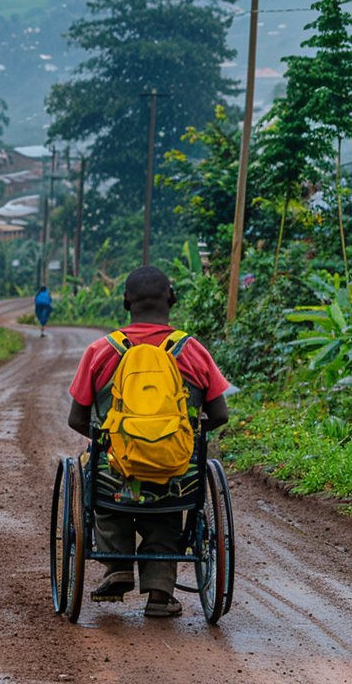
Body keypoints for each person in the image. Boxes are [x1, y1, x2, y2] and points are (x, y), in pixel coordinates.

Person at [65, 265, 230, 618]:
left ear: (125, 302)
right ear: (172, 299)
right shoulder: (192, 351)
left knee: (96, 474)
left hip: (116, 476)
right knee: (168, 506)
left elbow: (77, 419)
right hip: (176, 477)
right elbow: (220, 414)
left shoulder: (100, 351)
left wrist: (114, 442)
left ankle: (118, 565)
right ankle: (159, 593)